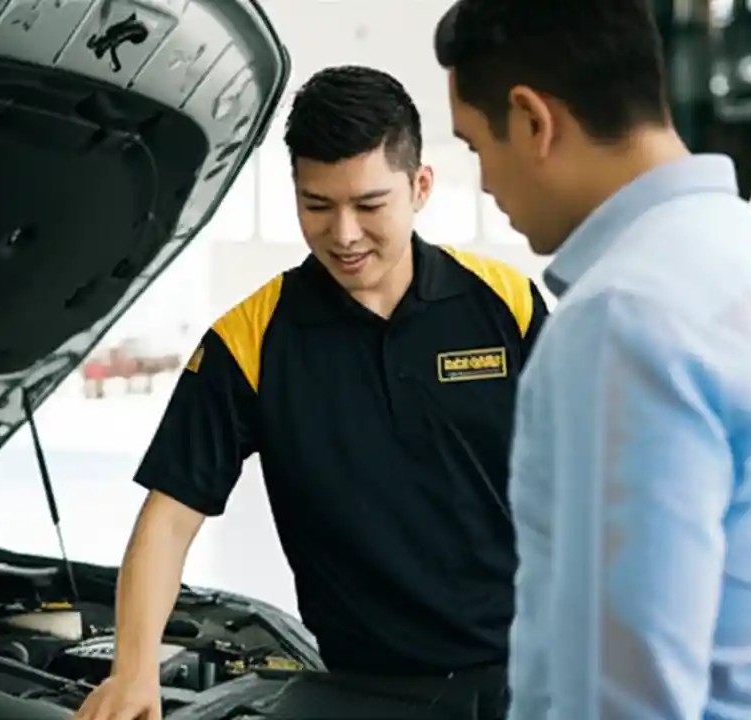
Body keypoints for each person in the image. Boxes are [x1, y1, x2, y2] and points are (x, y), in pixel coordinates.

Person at [435, 2, 751, 718]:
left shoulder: (624, 317)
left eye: (476, 145)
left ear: (532, 120)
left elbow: (625, 690)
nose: (486, 182)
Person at [73, 65, 549, 720]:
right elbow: (170, 515)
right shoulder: (251, 339)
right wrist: (133, 671)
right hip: (363, 686)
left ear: (421, 187)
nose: (344, 234)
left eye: (370, 204)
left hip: (530, 670)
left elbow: (591, 482)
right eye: (317, 205)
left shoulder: (508, 304)